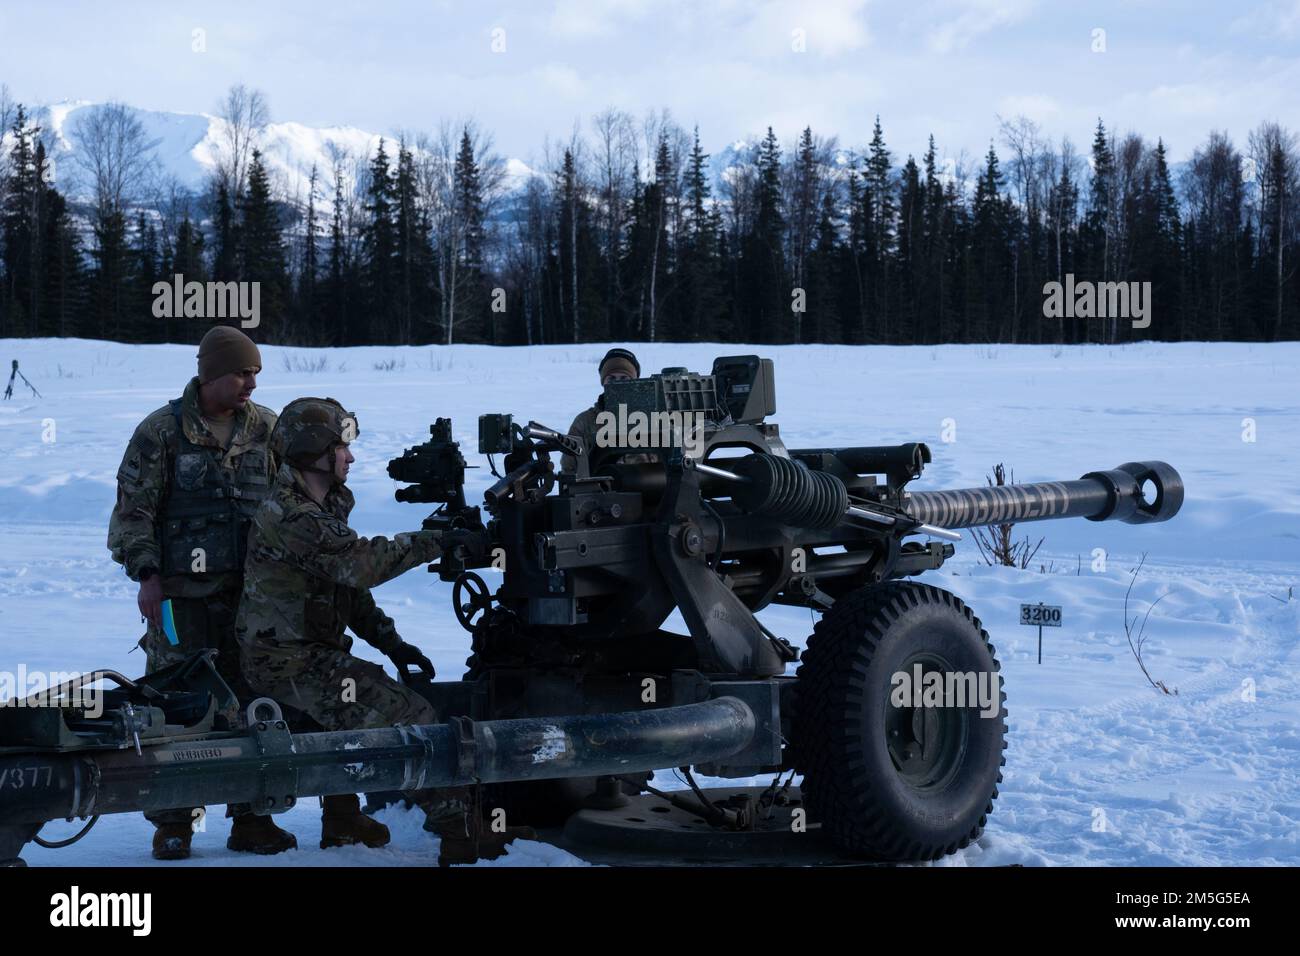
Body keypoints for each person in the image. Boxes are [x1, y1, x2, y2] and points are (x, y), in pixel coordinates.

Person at [237, 398, 536, 864]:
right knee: (411, 717)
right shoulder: (291, 515)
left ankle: (341, 821)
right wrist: (439, 541)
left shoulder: (325, 502)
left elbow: (347, 591)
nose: (350, 457)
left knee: (367, 702)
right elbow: (359, 565)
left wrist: (394, 644)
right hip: (285, 662)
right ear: (314, 450)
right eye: (342, 447)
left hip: (307, 653)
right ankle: (460, 831)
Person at [108, 325, 297, 860]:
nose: (251, 384)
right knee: (175, 707)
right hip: (178, 600)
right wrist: (147, 575)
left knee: (253, 703)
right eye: (241, 373)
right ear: (210, 373)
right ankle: (173, 822)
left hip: (251, 598)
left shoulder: (268, 430)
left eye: (256, 374)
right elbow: (132, 513)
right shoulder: (161, 432)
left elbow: (294, 503)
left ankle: (251, 819)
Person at [559, 347, 650, 475]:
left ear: (635, 382)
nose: (618, 384)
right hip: (600, 493)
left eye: (624, 378)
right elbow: (569, 469)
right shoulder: (584, 422)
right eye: (611, 378)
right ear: (603, 382)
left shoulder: (651, 419)